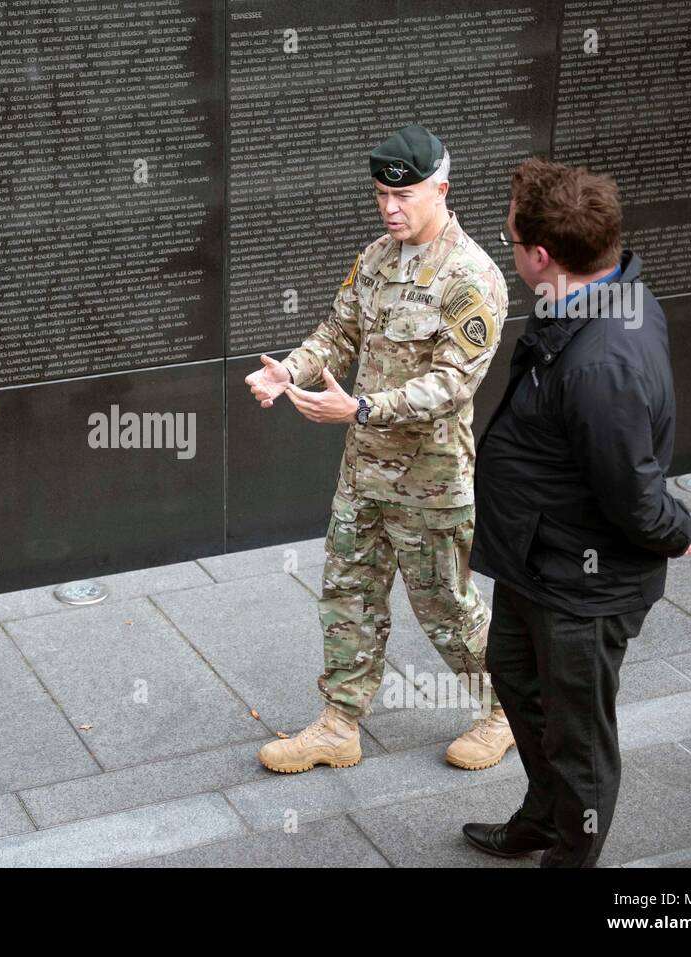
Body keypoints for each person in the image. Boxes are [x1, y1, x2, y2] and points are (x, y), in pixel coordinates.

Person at [246, 125, 514, 774]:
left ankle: (507, 709)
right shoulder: (375, 260)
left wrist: (362, 407)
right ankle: (338, 724)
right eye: (380, 196)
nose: (391, 208)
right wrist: (289, 370)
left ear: (442, 190)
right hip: (363, 473)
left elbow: (452, 385)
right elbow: (338, 333)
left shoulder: (471, 278)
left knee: (447, 607)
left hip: (430, 481)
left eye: (406, 196)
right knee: (347, 596)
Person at [462, 157, 691, 867]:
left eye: (510, 240)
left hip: (582, 587)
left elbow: (633, 490)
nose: (507, 249)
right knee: (514, 678)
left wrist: (677, 531)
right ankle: (542, 817)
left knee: (578, 739)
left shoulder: (602, 362)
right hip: (539, 560)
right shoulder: (594, 299)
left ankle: (571, 853)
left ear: (540, 256)